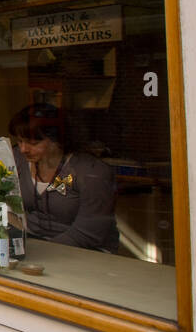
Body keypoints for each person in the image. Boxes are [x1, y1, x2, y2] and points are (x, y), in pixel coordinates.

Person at [8, 103, 118, 253]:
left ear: (57, 140)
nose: (23, 149)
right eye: (20, 141)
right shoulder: (18, 160)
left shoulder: (90, 172)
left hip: (85, 254)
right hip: (34, 248)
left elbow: (89, 233)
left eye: (33, 143)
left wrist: (42, 252)